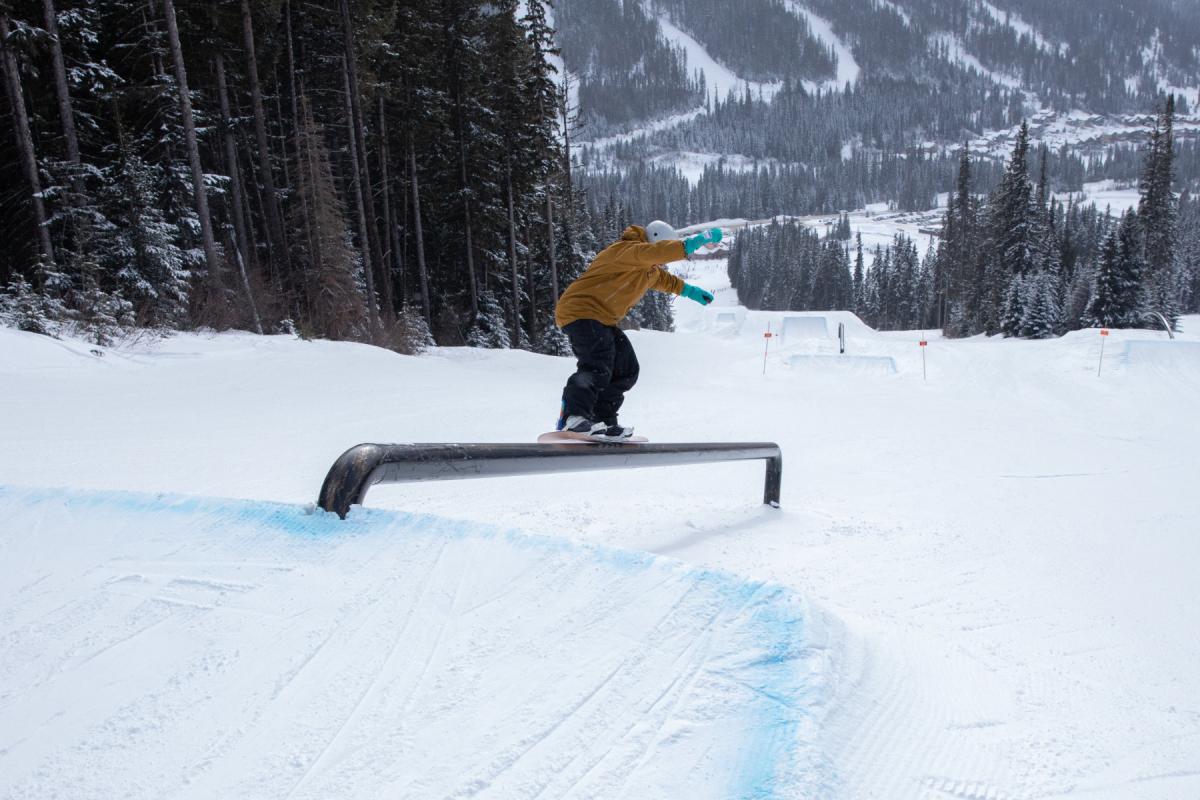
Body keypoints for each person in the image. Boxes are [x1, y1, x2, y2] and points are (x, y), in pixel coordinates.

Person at [554, 220, 721, 438]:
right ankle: (573, 416)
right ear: (654, 241)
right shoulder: (626, 250)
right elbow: (655, 254)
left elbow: (666, 281)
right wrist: (698, 241)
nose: (660, 264)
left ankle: (601, 418)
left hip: (601, 318)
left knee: (627, 368)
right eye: (659, 254)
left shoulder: (647, 269)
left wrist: (690, 291)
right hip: (580, 311)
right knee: (597, 363)